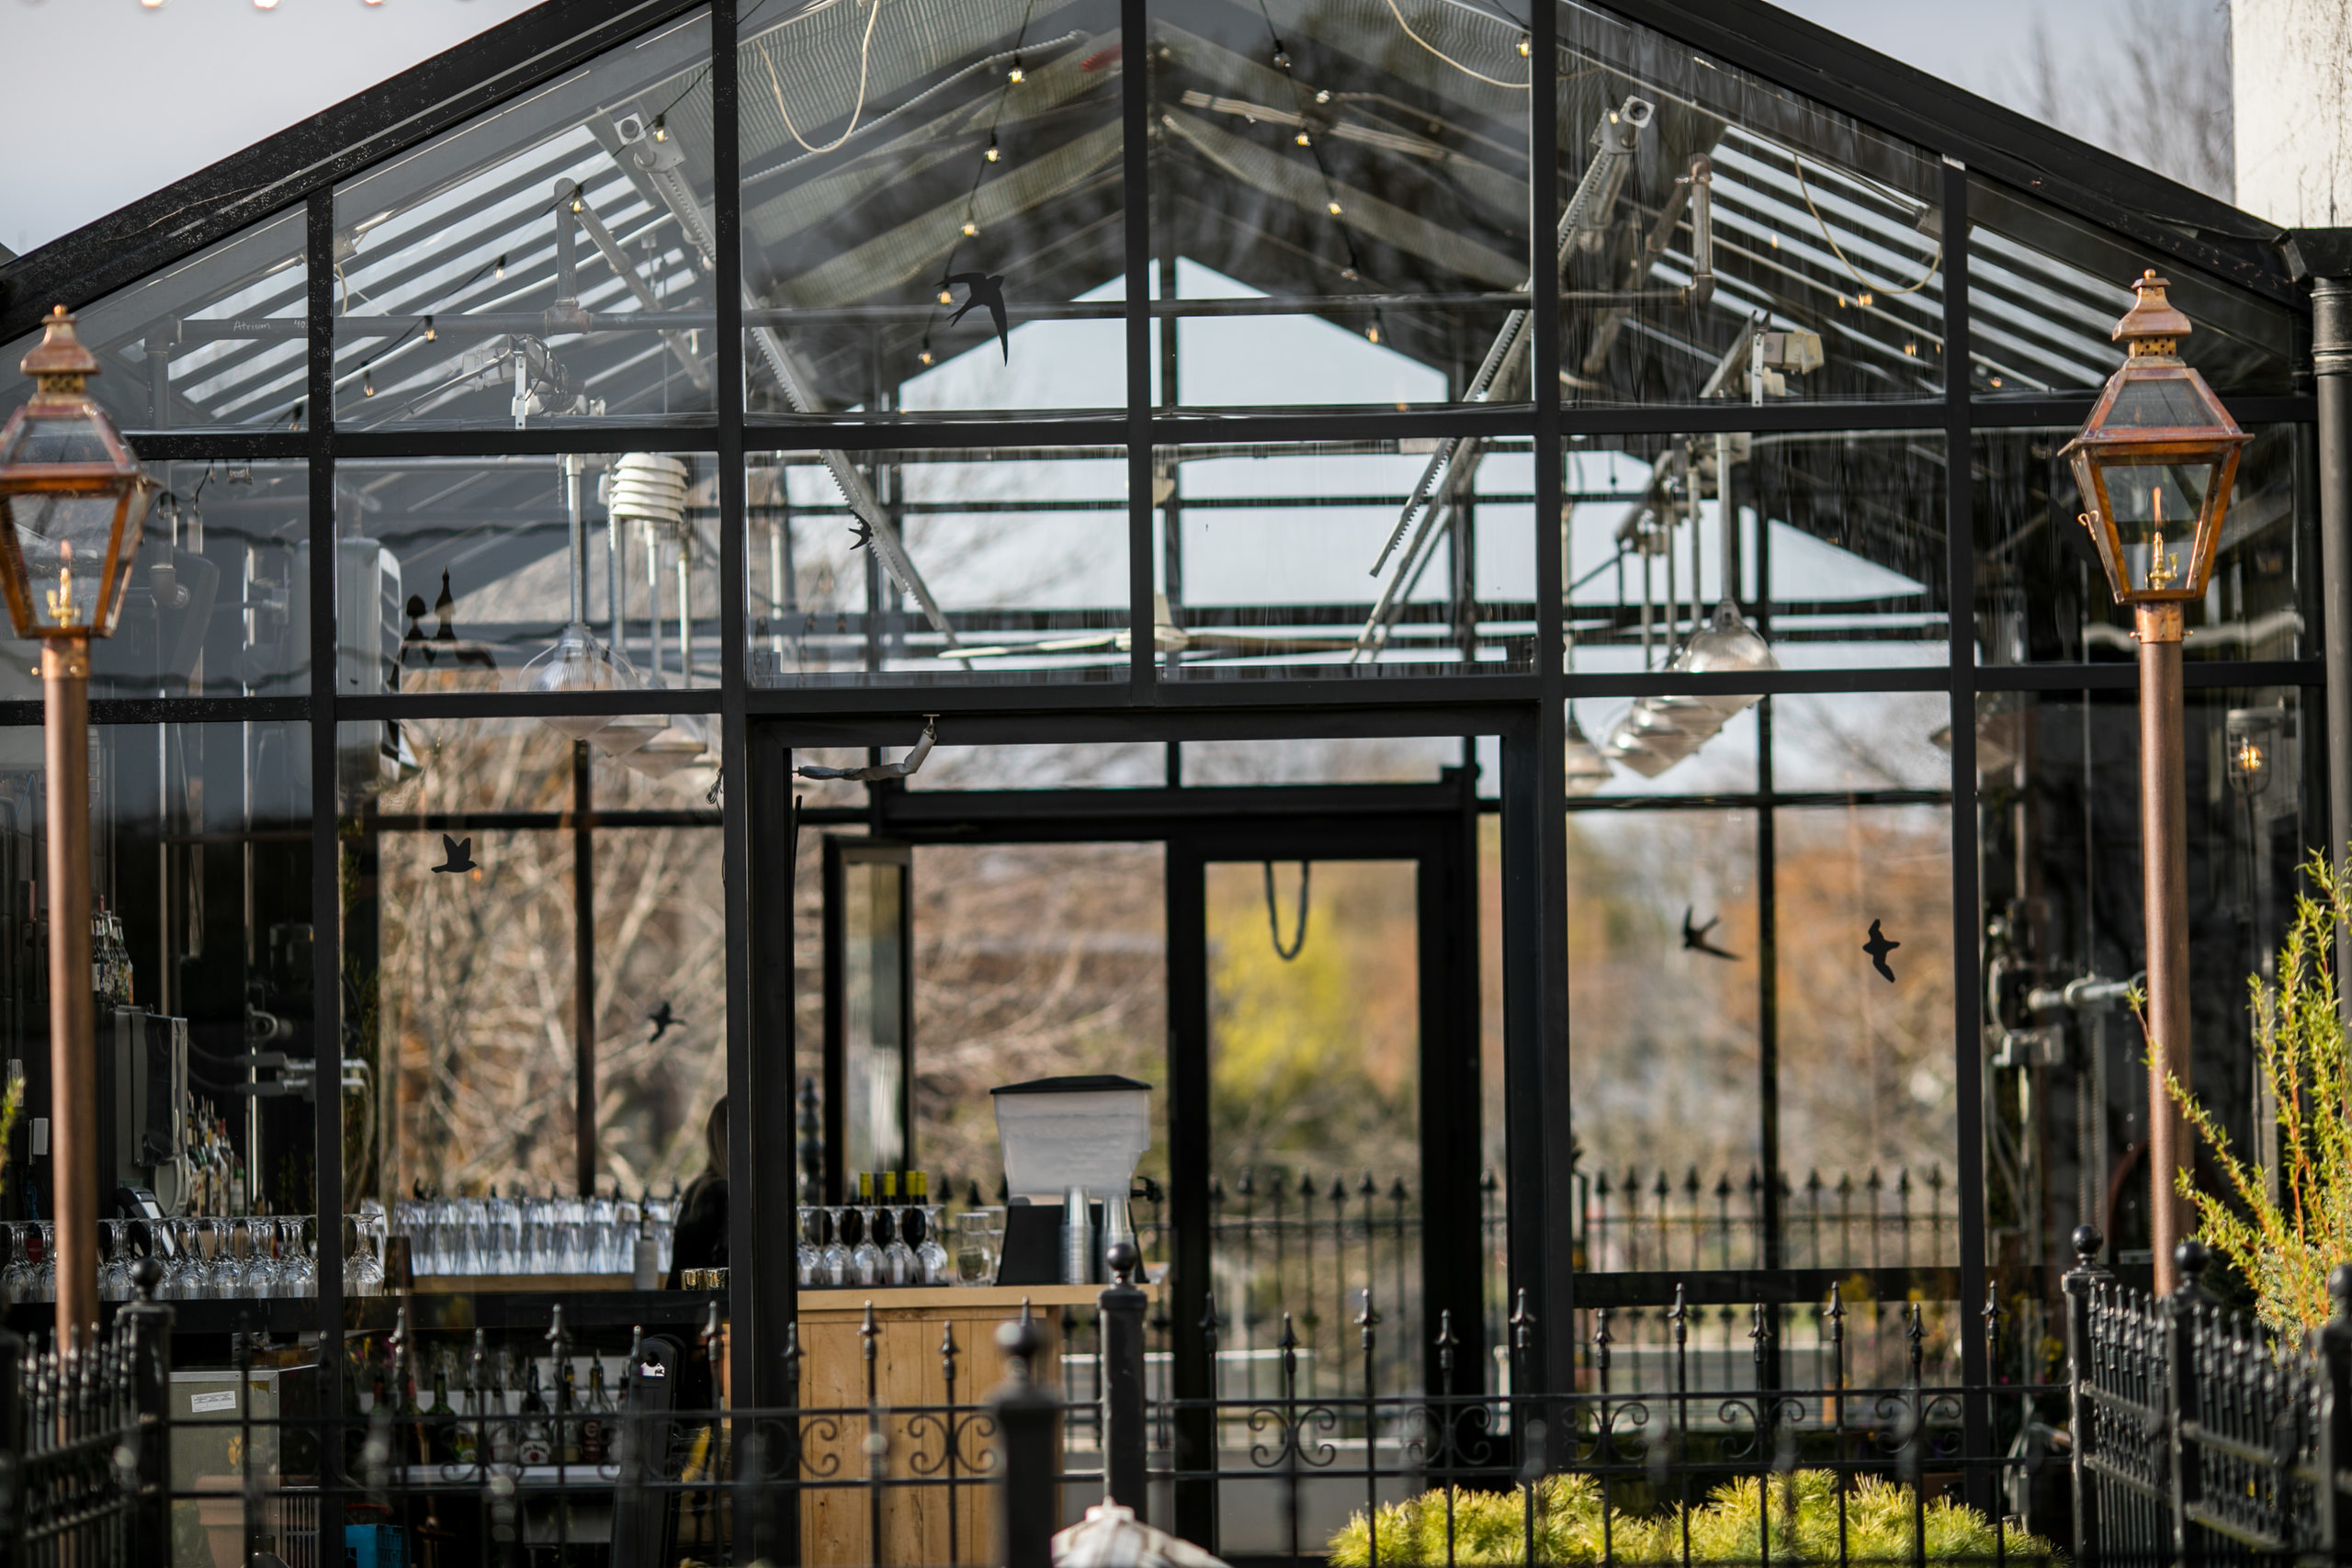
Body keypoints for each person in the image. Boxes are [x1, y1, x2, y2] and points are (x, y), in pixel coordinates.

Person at [665, 1097, 727, 1290]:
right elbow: (726, 1273)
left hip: (685, 1312)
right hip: (707, 1313)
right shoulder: (720, 1193)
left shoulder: (699, 1189)